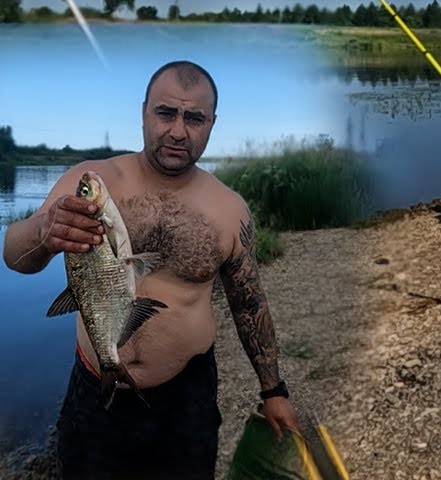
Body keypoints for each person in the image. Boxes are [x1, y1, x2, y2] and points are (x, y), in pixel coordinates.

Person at [3, 60, 301, 479]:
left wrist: (274, 390)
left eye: (194, 118)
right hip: (96, 388)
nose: (178, 131)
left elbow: (249, 303)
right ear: (144, 112)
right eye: (166, 113)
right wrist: (41, 231)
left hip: (187, 396)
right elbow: (15, 258)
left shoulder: (229, 209)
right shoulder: (90, 182)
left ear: (212, 124)